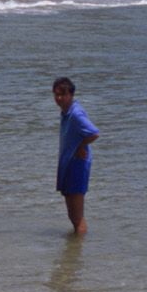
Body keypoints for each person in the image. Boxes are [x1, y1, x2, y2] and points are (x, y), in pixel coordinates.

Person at [53, 76, 99, 236]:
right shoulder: (66, 112)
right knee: (71, 214)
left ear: (70, 95)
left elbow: (94, 133)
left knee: (77, 216)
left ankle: (77, 256)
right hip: (68, 164)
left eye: (62, 94)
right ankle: (73, 252)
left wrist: (81, 146)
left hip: (78, 165)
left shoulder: (76, 114)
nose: (59, 98)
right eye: (56, 94)